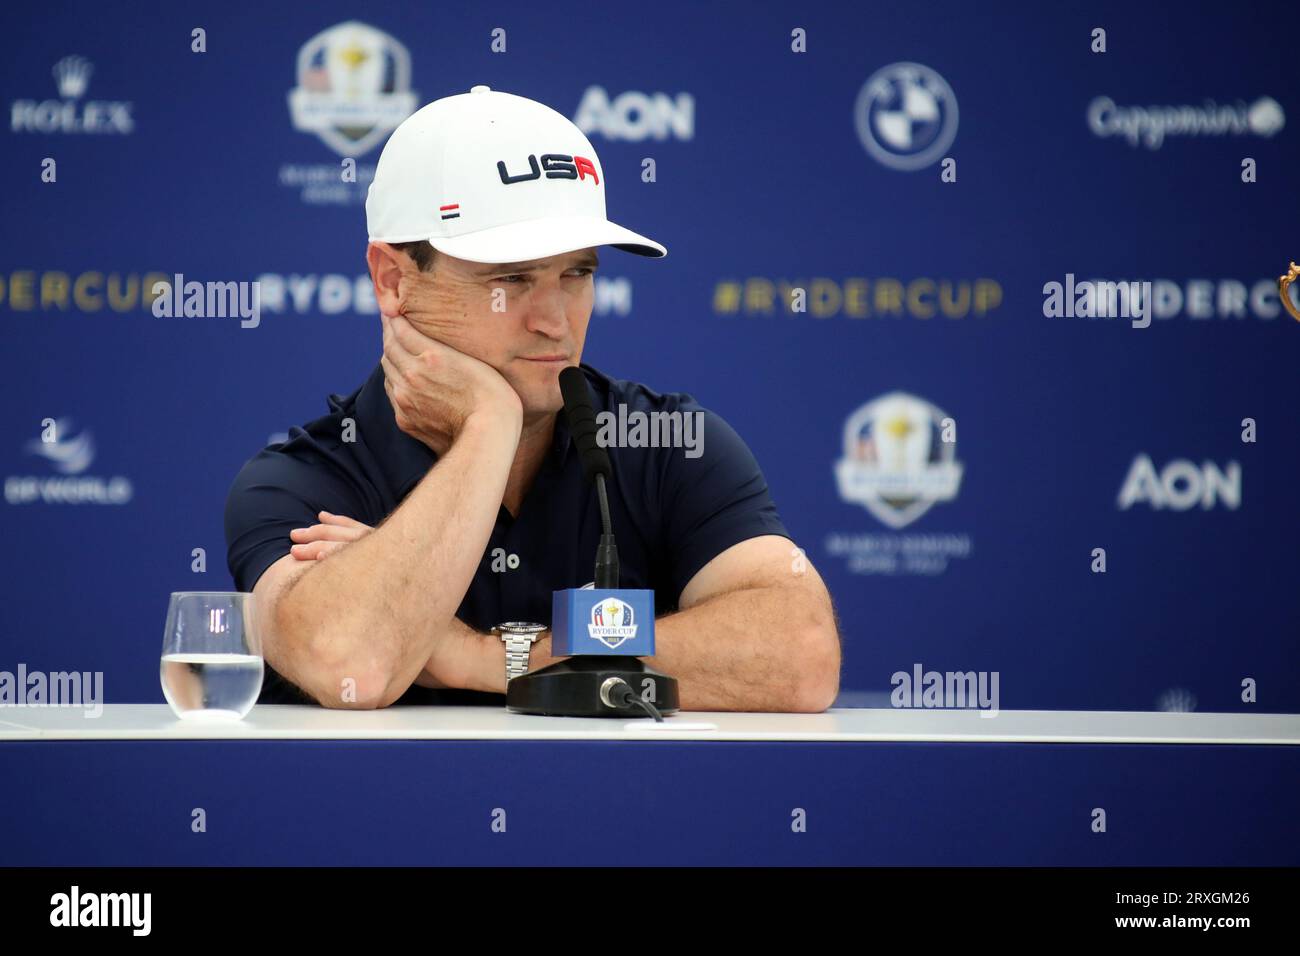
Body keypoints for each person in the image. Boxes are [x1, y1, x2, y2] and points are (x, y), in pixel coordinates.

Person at [223, 86, 840, 711]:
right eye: (509, 278)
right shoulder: (304, 481)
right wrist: (490, 424)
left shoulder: (665, 443)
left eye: (578, 273)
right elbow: (352, 664)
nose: (555, 321)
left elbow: (800, 652)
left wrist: (494, 659)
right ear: (393, 280)